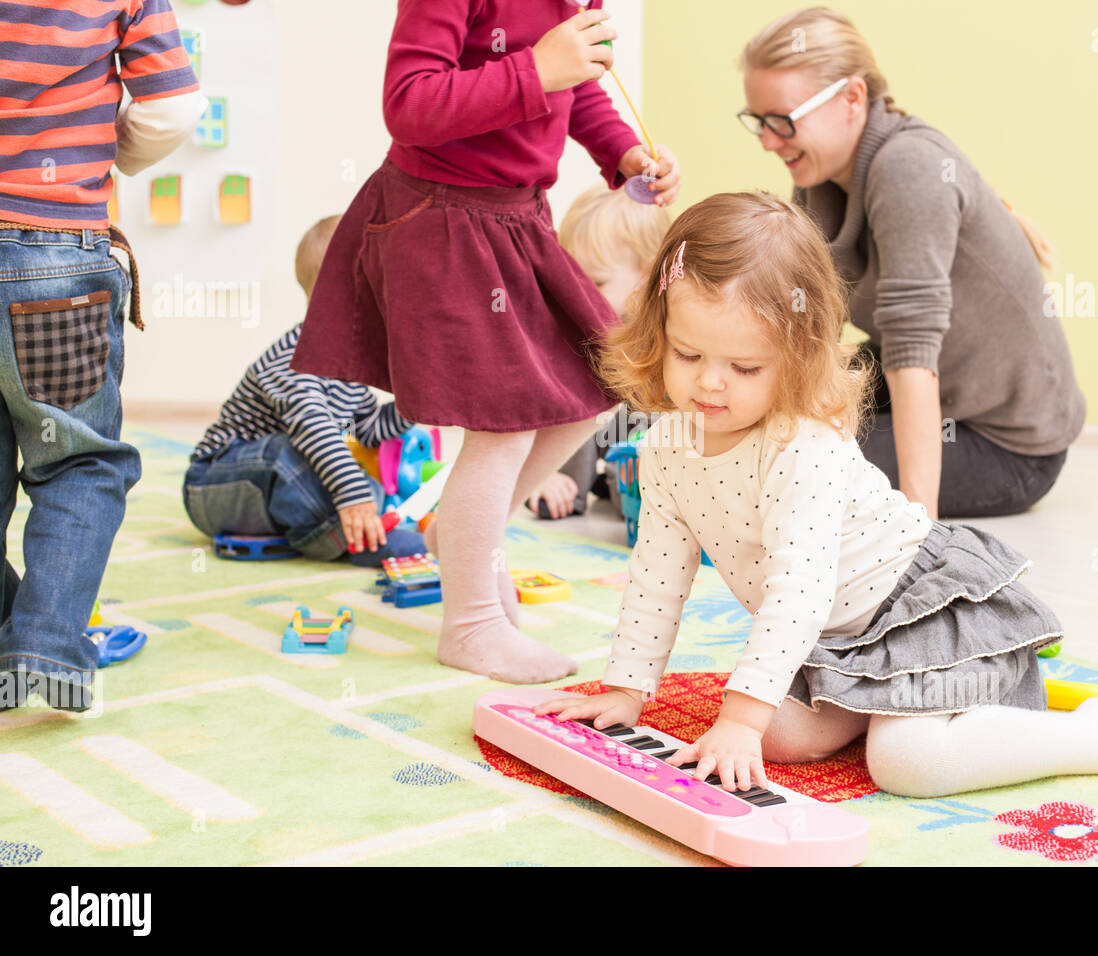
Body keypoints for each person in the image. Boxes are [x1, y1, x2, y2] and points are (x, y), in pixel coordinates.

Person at [536, 193, 1098, 798]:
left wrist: (740, 718)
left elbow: (796, 593)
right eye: (688, 355)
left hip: (919, 612)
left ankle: (1095, 735)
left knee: (906, 765)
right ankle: (891, 705)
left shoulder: (801, 449)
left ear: (798, 355)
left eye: (744, 367)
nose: (709, 385)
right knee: (773, 739)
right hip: (834, 643)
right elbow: (656, 580)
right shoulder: (664, 452)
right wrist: (626, 691)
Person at [291, 1, 681, 683]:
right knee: (501, 426)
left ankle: (459, 535)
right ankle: (469, 624)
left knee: (590, 391)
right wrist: (536, 68)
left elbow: (576, 83)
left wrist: (625, 154)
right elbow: (410, 103)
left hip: (516, 217)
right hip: (440, 215)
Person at [738, 7, 1086, 519]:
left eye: (783, 121)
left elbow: (912, 354)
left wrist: (915, 529)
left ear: (852, 98)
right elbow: (811, 324)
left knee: (784, 462)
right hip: (935, 384)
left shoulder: (908, 169)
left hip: (1004, 446)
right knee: (754, 428)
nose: (769, 141)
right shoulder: (819, 174)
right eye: (758, 122)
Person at [0, 0, 205, 712]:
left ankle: (12, 635)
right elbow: (174, 108)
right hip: (54, 254)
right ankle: (47, 648)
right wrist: (111, 149)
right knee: (78, 460)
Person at [182, 217, 429, 568]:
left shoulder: (350, 366)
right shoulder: (294, 357)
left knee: (358, 482)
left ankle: (334, 530)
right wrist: (353, 496)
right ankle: (357, 537)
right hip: (215, 485)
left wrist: (418, 400)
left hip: (276, 493)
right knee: (304, 458)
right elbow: (315, 430)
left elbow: (370, 429)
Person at [525, 183, 670, 520]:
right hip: (612, 436)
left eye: (597, 283)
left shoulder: (676, 327)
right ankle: (561, 485)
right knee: (578, 397)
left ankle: (621, 487)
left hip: (659, 452)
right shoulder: (585, 325)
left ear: (647, 275)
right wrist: (544, 474)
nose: (580, 296)